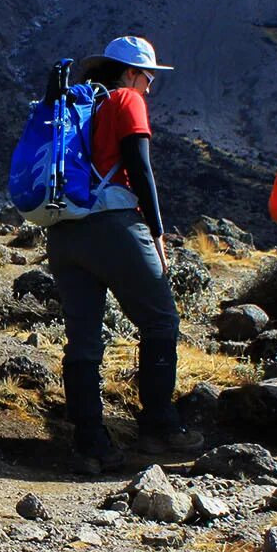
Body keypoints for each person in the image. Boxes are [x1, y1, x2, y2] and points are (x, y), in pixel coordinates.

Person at [47, 36, 201, 472]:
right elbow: (140, 168)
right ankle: (159, 426)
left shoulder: (75, 105)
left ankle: (90, 442)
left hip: (64, 233)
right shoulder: (124, 100)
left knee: (83, 340)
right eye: (147, 77)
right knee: (161, 321)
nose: (149, 87)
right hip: (114, 228)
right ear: (130, 73)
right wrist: (156, 232)